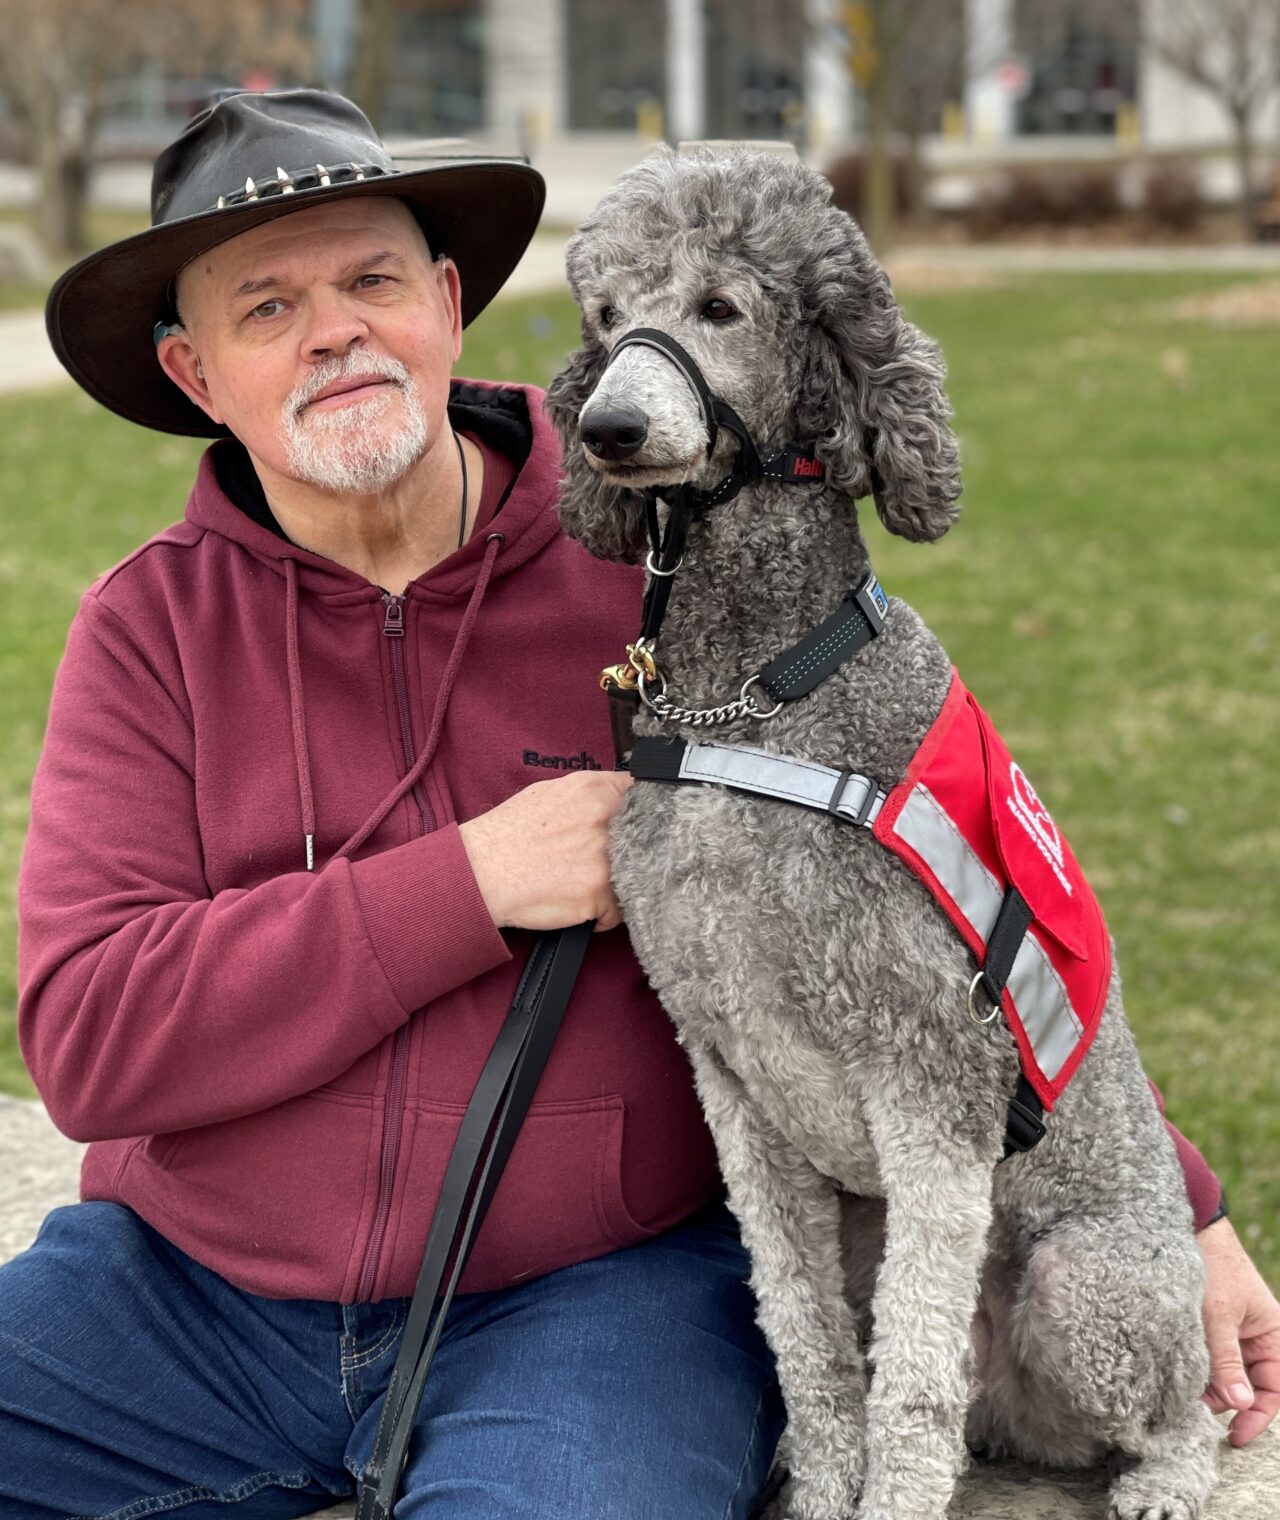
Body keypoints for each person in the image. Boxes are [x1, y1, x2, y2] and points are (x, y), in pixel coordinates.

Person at [2, 89, 1274, 1518]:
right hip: (190, 1301)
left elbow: (956, 880)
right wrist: (468, 883)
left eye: (371, 281)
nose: (335, 331)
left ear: (446, 303)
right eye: (266, 308)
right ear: (194, 374)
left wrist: (1181, 1203)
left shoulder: (677, 555)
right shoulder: (146, 629)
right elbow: (92, 1041)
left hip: (593, 1303)